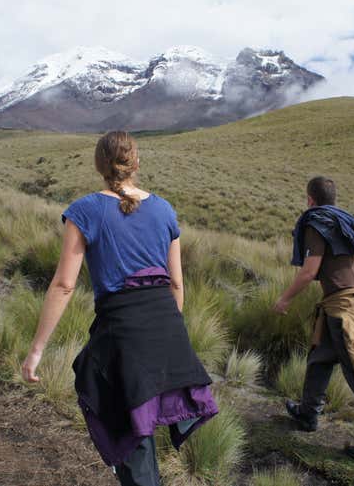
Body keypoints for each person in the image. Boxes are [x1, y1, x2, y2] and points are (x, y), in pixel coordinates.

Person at [21, 131, 218, 486]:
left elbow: (64, 285)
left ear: (98, 166)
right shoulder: (164, 209)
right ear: (136, 162)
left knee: (129, 431)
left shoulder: (85, 210)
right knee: (143, 424)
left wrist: (36, 351)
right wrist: (171, 339)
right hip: (167, 328)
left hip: (125, 331)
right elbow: (176, 283)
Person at [273, 176, 354, 462]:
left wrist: (285, 299)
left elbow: (309, 271)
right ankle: (308, 414)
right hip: (351, 304)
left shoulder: (317, 222)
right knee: (320, 358)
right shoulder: (351, 224)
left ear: (309, 199)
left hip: (344, 310)